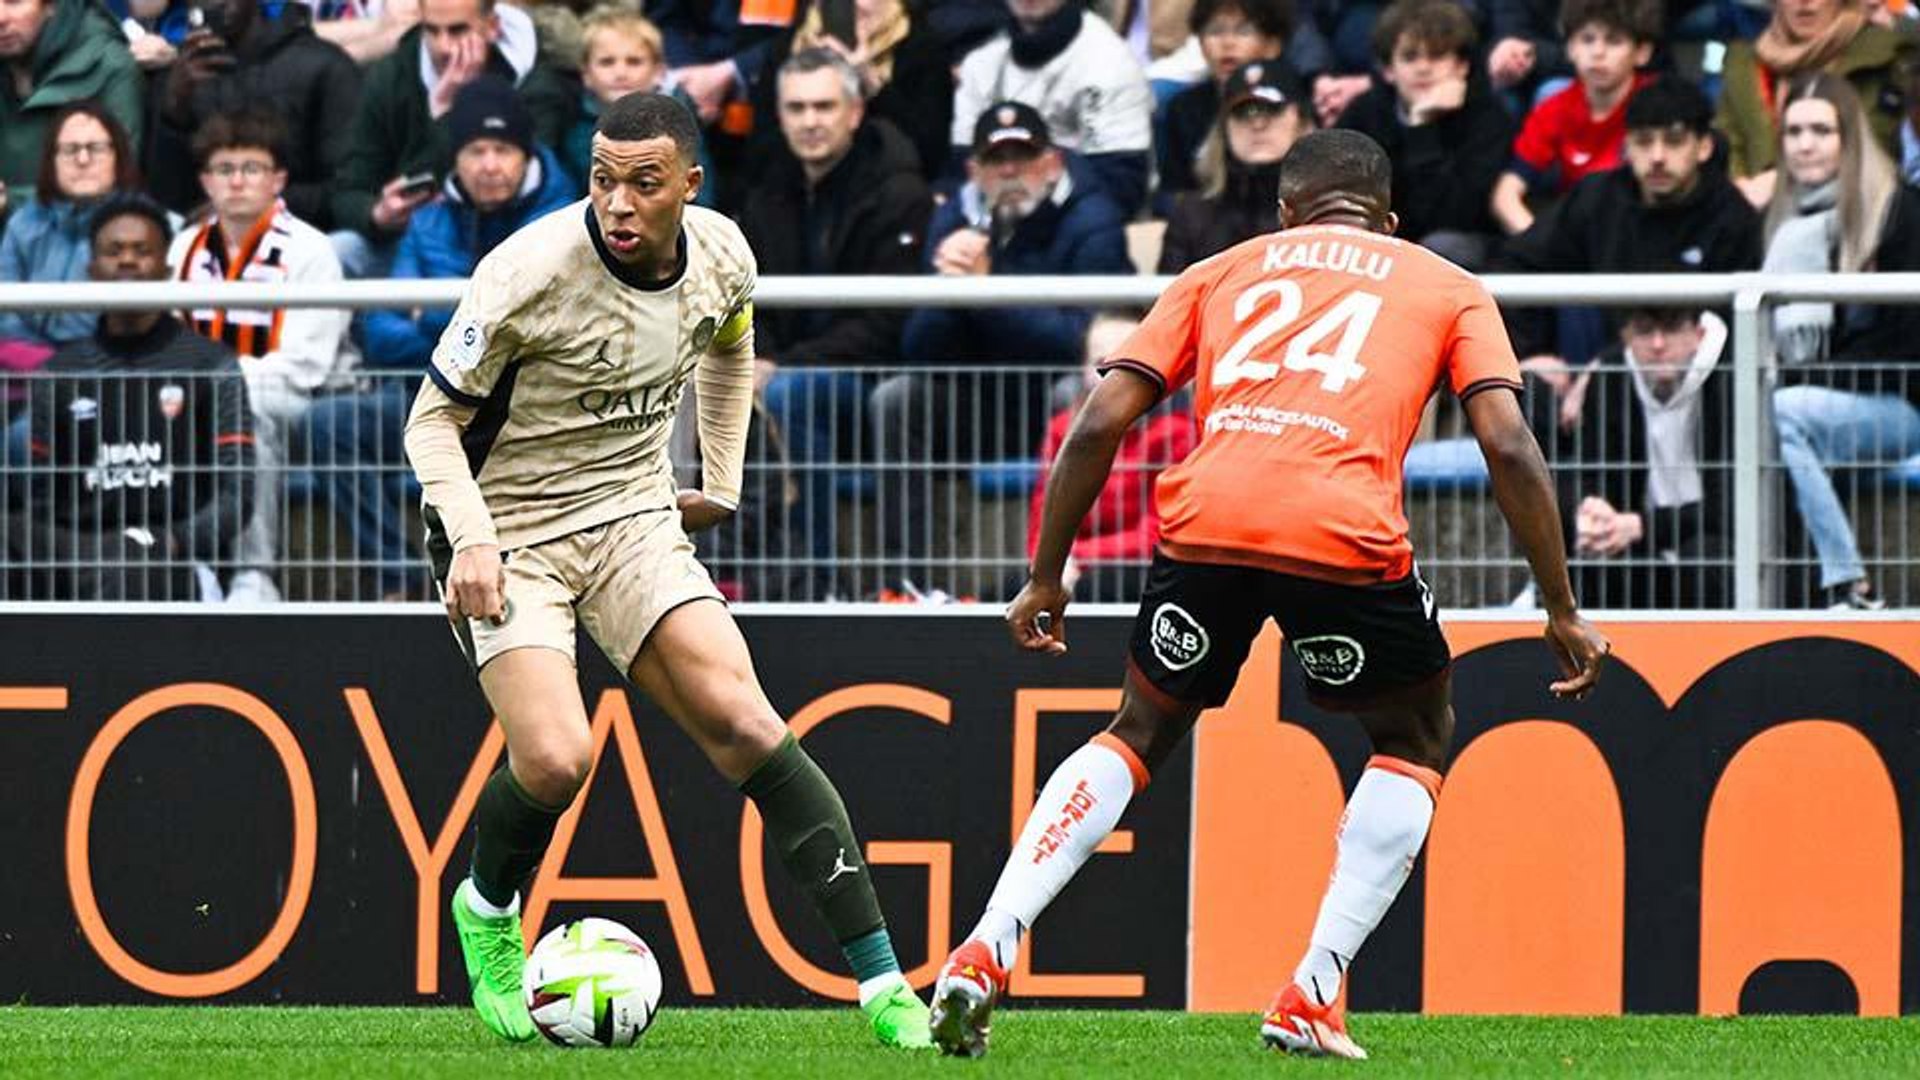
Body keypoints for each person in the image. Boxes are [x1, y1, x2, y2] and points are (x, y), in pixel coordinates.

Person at [926, 128, 1609, 1060]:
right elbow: (1509, 444)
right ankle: (1314, 989)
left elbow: (1098, 423)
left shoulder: (1222, 267)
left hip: (1206, 525)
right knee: (1414, 737)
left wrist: (1047, 573)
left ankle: (986, 947)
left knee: (1137, 730)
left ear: (1285, 213)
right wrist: (1559, 605)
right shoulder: (1445, 283)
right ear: (1390, 220)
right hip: (1341, 536)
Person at [401, 91, 933, 1048]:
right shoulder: (527, 271)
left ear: (688, 185)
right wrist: (472, 537)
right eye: (603, 179)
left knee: (747, 721)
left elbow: (731, 346)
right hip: (508, 526)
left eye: (643, 183)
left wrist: (718, 481)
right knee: (559, 757)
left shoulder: (724, 253)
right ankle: (486, 907)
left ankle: (886, 987)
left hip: (633, 514)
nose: (618, 202)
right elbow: (430, 421)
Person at [308, 77, 573, 602]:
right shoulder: (429, 220)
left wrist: (434, 319)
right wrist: (471, 327)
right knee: (328, 425)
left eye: (503, 150)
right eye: (476, 151)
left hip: (526, 406)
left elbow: (532, 335)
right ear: (457, 158)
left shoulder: (564, 221)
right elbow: (381, 332)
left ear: (525, 155)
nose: (490, 164)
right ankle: (401, 578)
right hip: (433, 394)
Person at [876, 100, 1131, 597]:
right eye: (997, 160)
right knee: (898, 399)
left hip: (1050, 394)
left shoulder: (1093, 218)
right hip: (978, 401)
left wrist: (989, 289)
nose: (1011, 171)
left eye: (1024, 156)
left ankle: (1059, 571)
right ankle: (907, 584)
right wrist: (949, 291)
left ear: (1052, 161)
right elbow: (919, 348)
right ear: (975, 170)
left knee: (1076, 395)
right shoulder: (955, 216)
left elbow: (1086, 343)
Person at [741, 47, 932, 600]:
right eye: (796, 108)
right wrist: (757, 362)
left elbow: (886, 323)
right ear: (780, 116)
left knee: (796, 395)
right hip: (784, 377)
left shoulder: (900, 192)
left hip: (869, 379)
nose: (810, 121)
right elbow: (748, 303)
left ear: (854, 112)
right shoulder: (765, 194)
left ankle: (814, 583)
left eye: (824, 105)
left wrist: (782, 366)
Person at [9, 195, 254, 601]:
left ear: (166, 269)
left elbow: (237, 495)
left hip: (171, 554)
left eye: (142, 251)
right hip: (78, 549)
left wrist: (173, 540)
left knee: (130, 558)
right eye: (113, 251)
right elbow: (41, 493)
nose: (127, 261)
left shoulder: (211, 364)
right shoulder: (61, 372)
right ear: (91, 270)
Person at [170, 109, 359, 603]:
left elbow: (306, 364)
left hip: (297, 400)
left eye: (251, 168)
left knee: (247, 412)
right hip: (202, 395)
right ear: (205, 181)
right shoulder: (184, 248)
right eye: (224, 169)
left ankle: (254, 572)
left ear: (278, 179)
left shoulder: (311, 249)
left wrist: (218, 385)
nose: (237, 181)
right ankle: (185, 562)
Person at [1763, 72, 1920, 609]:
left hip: (1900, 405)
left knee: (1784, 410)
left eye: (1821, 131)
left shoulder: (1899, 211)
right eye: (1794, 131)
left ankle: (1849, 582)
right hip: (1830, 403)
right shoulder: (1784, 223)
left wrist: (1809, 377)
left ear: (1849, 139)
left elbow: (1903, 346)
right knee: (1769, 413)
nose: (1804, 144)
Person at [1492, 78, 1762, 379]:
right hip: (1594, 376)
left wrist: (1612, 362)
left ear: (1704, 147)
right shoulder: (1596, 197)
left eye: (1673, 141)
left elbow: (1731, 328)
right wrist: (1531, 355)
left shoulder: (1733, 216)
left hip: (1697, 378)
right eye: (1644, 142)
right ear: (1627, 147)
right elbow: (1519, 263)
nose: (1657, 157)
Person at [329, 0, 577, 278]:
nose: (443, 46)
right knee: (340, 250)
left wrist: (444, 115)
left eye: (458, 31)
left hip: (512, 245)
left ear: (492, 27)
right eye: (432, 31)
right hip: (412, 243)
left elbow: (515, 184)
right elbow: (348, 189)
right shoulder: (392, 76)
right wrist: (376, 214)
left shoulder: (533, 83)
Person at [1529, 306, 1733, 608]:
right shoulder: (1613, 372)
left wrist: (1642, 526)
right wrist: (1593, 510)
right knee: (1593, 553)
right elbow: (1595, 471)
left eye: (1672, 329)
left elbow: (1729, 508)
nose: (1658, 345)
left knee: (1706, 557)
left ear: (1698, 335)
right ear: (1627, 337)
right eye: (1645, 331)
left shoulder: (1731, 376)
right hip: (1639, 546)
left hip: (1710, 542)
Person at [142, 0, 361, 231]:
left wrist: (253, 206)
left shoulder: (323, 65)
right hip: (203, 236)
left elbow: (346, 190)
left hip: (305, 235)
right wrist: (174, 113)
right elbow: (166, 198)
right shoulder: (181, 76)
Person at [1025, 311, 1195, 601]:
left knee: (1099, 588)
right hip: (1076, 565)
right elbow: (1043, 516)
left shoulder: (1177, 433)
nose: (1110, 375)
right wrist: (1050, 568)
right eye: (1099, 363)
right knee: (1009, 589)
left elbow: (1158, 533)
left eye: (1124, 362)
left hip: (1143, 565)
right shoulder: (1061, 429)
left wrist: (1075, 557)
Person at [1335, 0, 1513, 269]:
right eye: (1410, 57)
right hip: (1382, 245)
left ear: (1462, 66)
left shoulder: (1488, 118)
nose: (1423, 68)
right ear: (1388, 70)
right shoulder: (1362, 115)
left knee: (1442, 246)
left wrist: (1422, 129)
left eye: (1437, 56)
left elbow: (1453, 217)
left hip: (1465, 247)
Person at [950, 0, 1155, 214]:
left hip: (1080, 222)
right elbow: (960, 172)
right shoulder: (980, 63)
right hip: (990, 220)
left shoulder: (1109, 62)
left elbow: (1120, 188)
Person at [1717, 0, 1917, 206]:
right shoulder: (1744, 65)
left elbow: (1881, 150)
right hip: (1755, 216)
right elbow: (1728, 143)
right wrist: (1740, 188)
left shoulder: (1887, 55)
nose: (1804, 2)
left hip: (1857, 212)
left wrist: (1781, 184)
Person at [1488, 0, 1661, 236]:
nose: (1598, 53)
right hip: (1578, 239)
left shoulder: (1663, 104)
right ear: (1570, 49)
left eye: (1614, 41)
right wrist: (1542, 244)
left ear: (1642, 53)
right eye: (1587, 39)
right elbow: (1505, 195)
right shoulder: (1555, 107)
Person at [1, 104, 140, 389]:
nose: (83, 159)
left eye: (96, 148)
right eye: (69, 149)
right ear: (51, 159)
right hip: (27, 378)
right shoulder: (23, 224)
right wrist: (48, 366)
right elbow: (5, 315)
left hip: (115, 382)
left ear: (118, 156)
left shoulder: (151, 227)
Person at [1159, 59, 1312, 272]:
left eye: (1272, 110)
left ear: (1302, 122)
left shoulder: (1327, 211)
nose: (1258, 124)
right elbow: (1169, 301)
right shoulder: (1192, 215)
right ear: (1224, 128)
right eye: (1243, 113)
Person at [1157, 0, 1303, 206]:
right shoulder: (1183, 108)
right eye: (1215, 31)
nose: (1227, 43)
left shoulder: (1300, 97)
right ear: (1199, 42)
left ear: (1273, 45)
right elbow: (1172, 191)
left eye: (1243, 31)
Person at [0, 0, 144, 208]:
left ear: (51, 6)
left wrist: (9, 202)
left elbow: (115, 184)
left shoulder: (108, 67)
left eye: (14, 2)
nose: (1, 18)